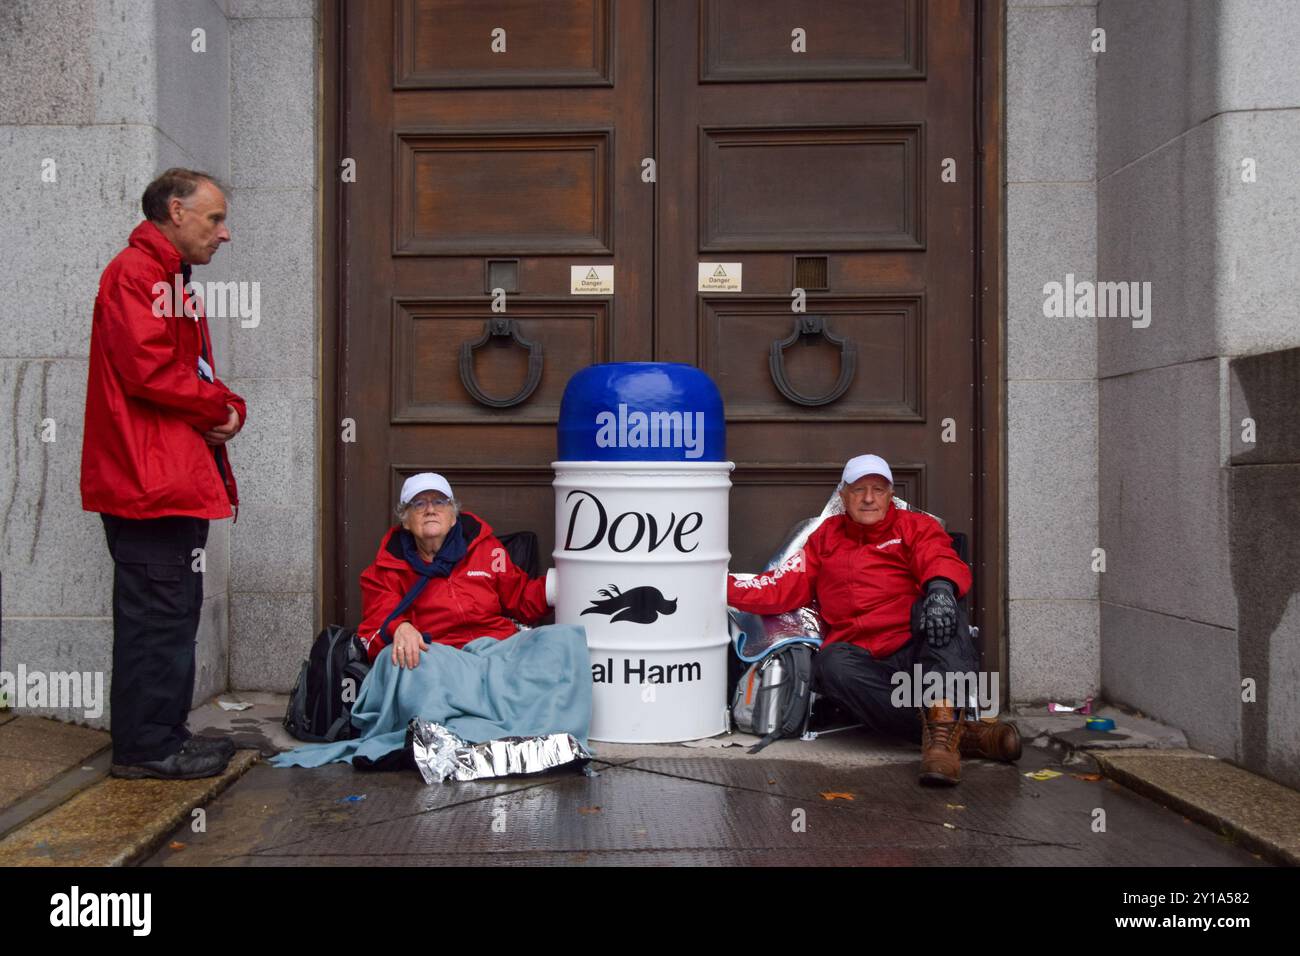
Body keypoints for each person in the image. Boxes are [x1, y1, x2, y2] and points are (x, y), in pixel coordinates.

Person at [81, 168, 245, 780]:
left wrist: (231, 409)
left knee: (171, 612)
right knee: (158, 616)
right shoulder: (137, 273)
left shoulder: (168, 278)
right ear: (176, 212)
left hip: (165, 480)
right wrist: (217, 408)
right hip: (146, 483)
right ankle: (149, 748)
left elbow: (190, 371)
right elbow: (148, 371)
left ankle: (163, 736)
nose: (223, 233)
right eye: (214, 218)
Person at [727, 454, 1021, 786]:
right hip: (864, 661)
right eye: (859, 489)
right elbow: (782, 588)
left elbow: (937, 556)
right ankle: (959, 737)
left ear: (890, 494)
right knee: (831, 664)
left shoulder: (914, 526)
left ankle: (943, 737)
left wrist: (940, 589)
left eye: (878, 490)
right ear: (843, 495)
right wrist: (709, 583)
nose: (869, 498)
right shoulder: (824, 537)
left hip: (916, 649)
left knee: (942, 611)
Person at [271, 473, 590, 770]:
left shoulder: (486, 550)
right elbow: (374, 628)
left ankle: (551, 740)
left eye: (439, 502)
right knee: (409, 662)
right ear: (405, 521)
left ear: (453, 515)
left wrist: (558, 585)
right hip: (440, 655)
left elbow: (520, 597)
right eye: (418, 504)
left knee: (561, 641)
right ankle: (451, 745)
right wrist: (400, 627)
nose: (430, 510)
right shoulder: (386, 570)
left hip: (496, 647)